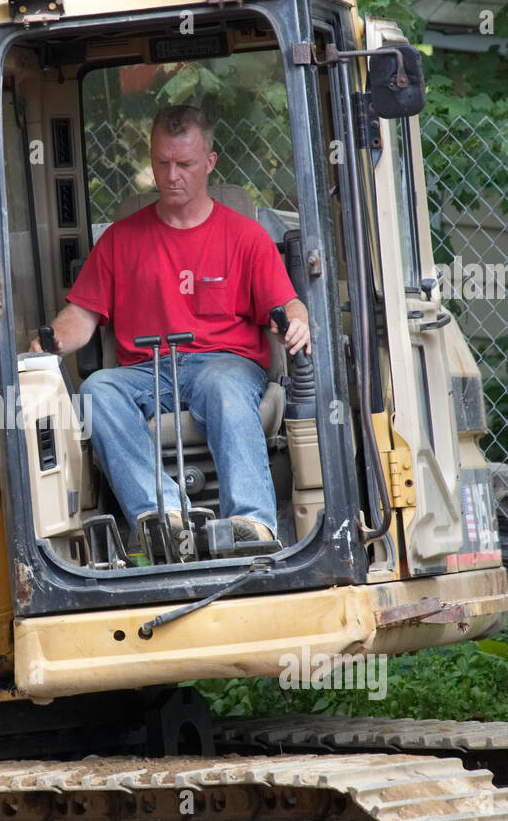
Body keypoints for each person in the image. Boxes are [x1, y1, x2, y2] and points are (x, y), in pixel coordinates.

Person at [31, 105, 310, 548]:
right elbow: (80, 318)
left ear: (210, 163)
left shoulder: (245, 237)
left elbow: (287, 304)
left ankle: (253, 526)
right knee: (97, 389)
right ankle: (163, 515)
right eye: (162, 162)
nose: (172, 174)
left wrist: (296, 321)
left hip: (225, 364)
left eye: (185, 164)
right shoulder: (120, 241)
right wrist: (48, 345)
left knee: (222, 386)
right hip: (148, 370)